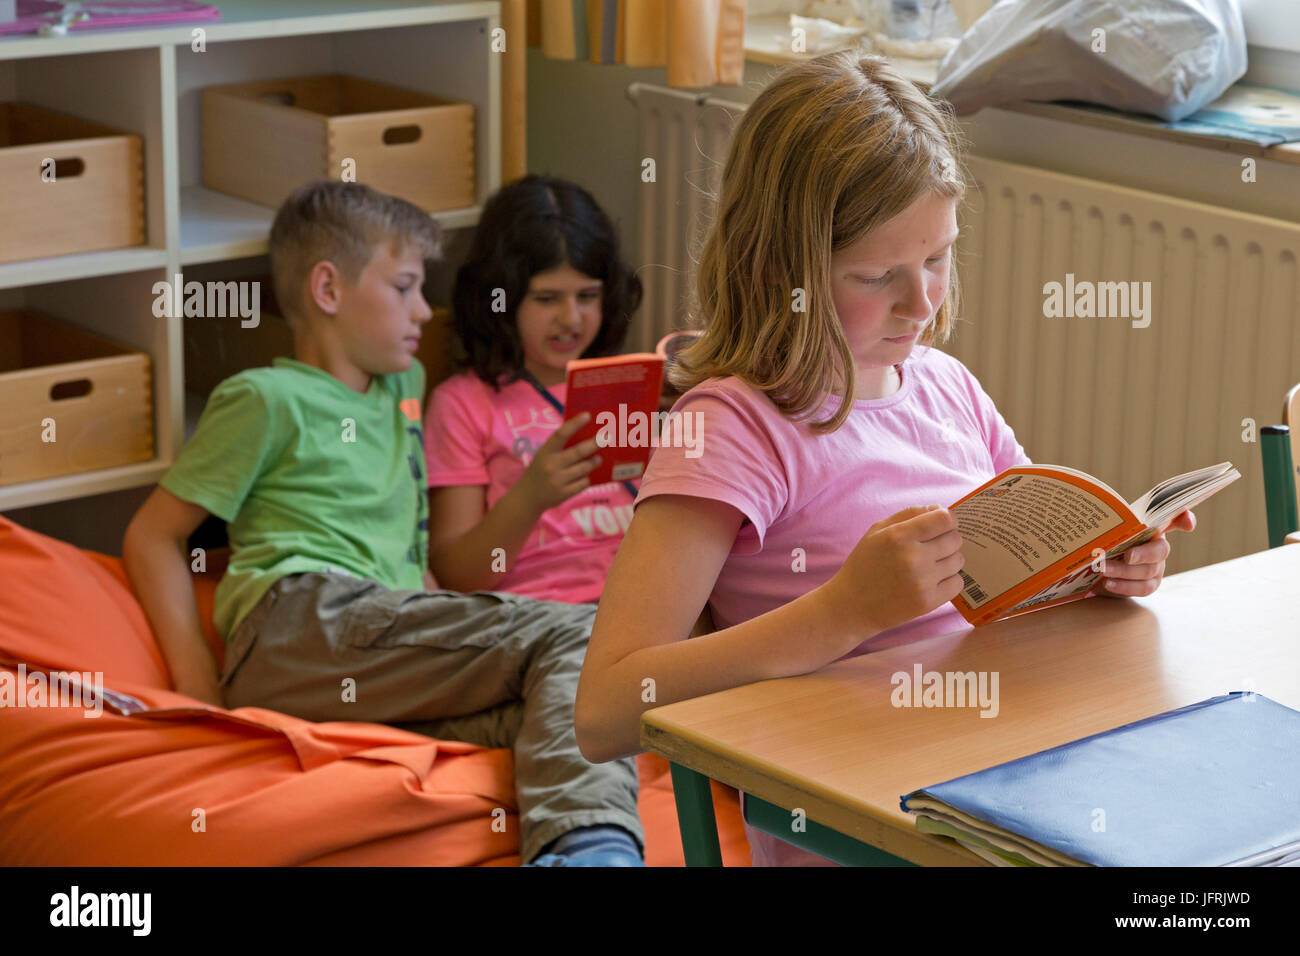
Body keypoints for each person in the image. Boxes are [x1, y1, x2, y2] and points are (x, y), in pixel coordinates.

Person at [572, 51, 1196, 866]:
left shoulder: (945, 388)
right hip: (867, 822)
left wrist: (1104, 572)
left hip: (1002, 767)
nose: (925, 300)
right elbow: (607, 710)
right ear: (783, 268)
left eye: (938, 258)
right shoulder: (733, 429)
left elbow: (1020, 578)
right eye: (879, 275)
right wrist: (846, 613)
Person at [122, 180, 643, 867]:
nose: (425, 312)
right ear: (328, 290)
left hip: (370, 645)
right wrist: (197, 686)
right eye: (404, 288)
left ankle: (593, 851)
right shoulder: (265, 399)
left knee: (573, 712)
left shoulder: (400, 389)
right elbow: (153, 534)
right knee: (585, 634)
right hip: (304, 620)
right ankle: (590, 859)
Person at [423, 175, 644, 605]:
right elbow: (456, 575)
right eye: (546, 299)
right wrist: (530, 497)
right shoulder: (463, 404)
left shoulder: (628, 384)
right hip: (535, 614)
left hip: (641, 604)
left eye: (587, 296)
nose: (571, 318)